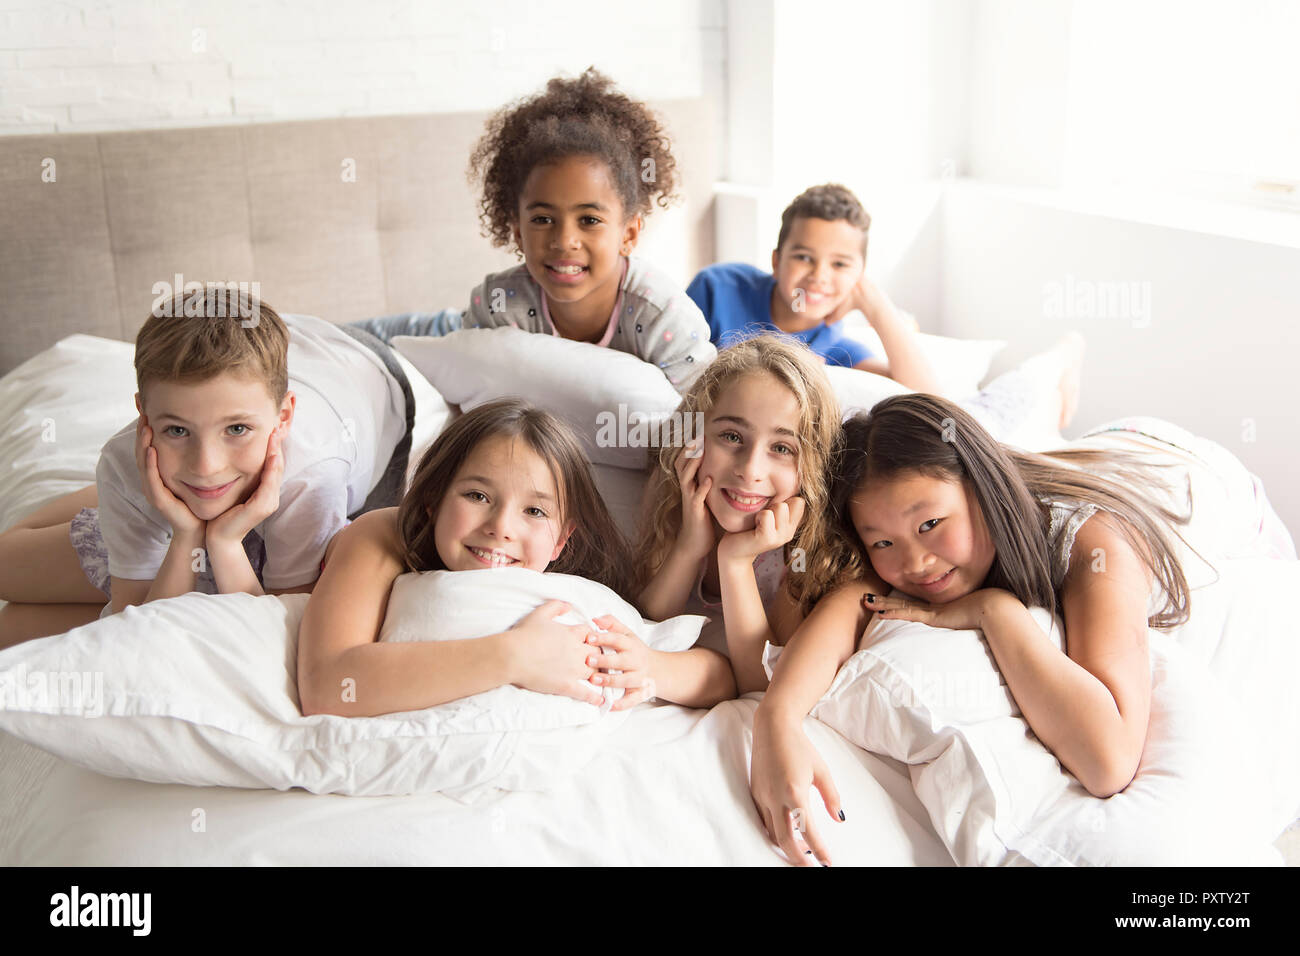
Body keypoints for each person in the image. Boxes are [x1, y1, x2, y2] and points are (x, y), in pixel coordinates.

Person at [749, 395, 1294, 865]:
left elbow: (1108, 759)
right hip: (1085, 454)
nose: (915, 563)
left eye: (931, 525)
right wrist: (778, 720)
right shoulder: (906, 528)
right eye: (883, 543)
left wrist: (996, 612)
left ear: (982, 491)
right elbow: (845, 607)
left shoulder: (1094, 544)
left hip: (1189, 470)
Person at [0, 286, 411, 647]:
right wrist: (184, 535)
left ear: (284, 417)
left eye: (236, 429)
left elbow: (278, 635)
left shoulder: (312, 474)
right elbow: (133, 628)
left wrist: (226, 543)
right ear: (143, 414)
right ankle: (121, 498)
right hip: (295, 352)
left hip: (362, 363)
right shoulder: (125, 458)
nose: (206, 465)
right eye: (177, 430)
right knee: (10, 617)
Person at [297, 399, 736, 718]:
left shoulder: (569, 588)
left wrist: (650, 666)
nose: (501, 526)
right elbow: (329, 685)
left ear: (563, 540)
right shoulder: (385, 533)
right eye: (477, 495)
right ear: (432, 501)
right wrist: (514, 656)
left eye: (535, 511)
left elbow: (719, 675)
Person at [352, 67, 717, 393]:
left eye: (589, 220)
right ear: (516, 229)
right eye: (543, 219)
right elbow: (462, 391)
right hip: (454, 323)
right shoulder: (495, 305)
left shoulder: (663, 319)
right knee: (359, 344)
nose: (564, 241)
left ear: (629, 234)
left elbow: (700, 421)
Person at [688, 182, 1087, 437]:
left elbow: (929, 399)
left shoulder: (835, 347)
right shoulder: (720, 286)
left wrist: (877, 307)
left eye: (840, 265)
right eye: (804, 257)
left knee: (980, 419)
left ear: (861, 275)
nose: (819, 276)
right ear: (777, 260)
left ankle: (1065, 352)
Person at [636, 335, 841, 693]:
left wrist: (735, 561)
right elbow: (649, 623)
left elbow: (760, 682)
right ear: (694, 437)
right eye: (731, 436)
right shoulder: (673, 491)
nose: (750, 470)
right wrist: (689, 546)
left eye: (782, 448)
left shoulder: (803, 550)